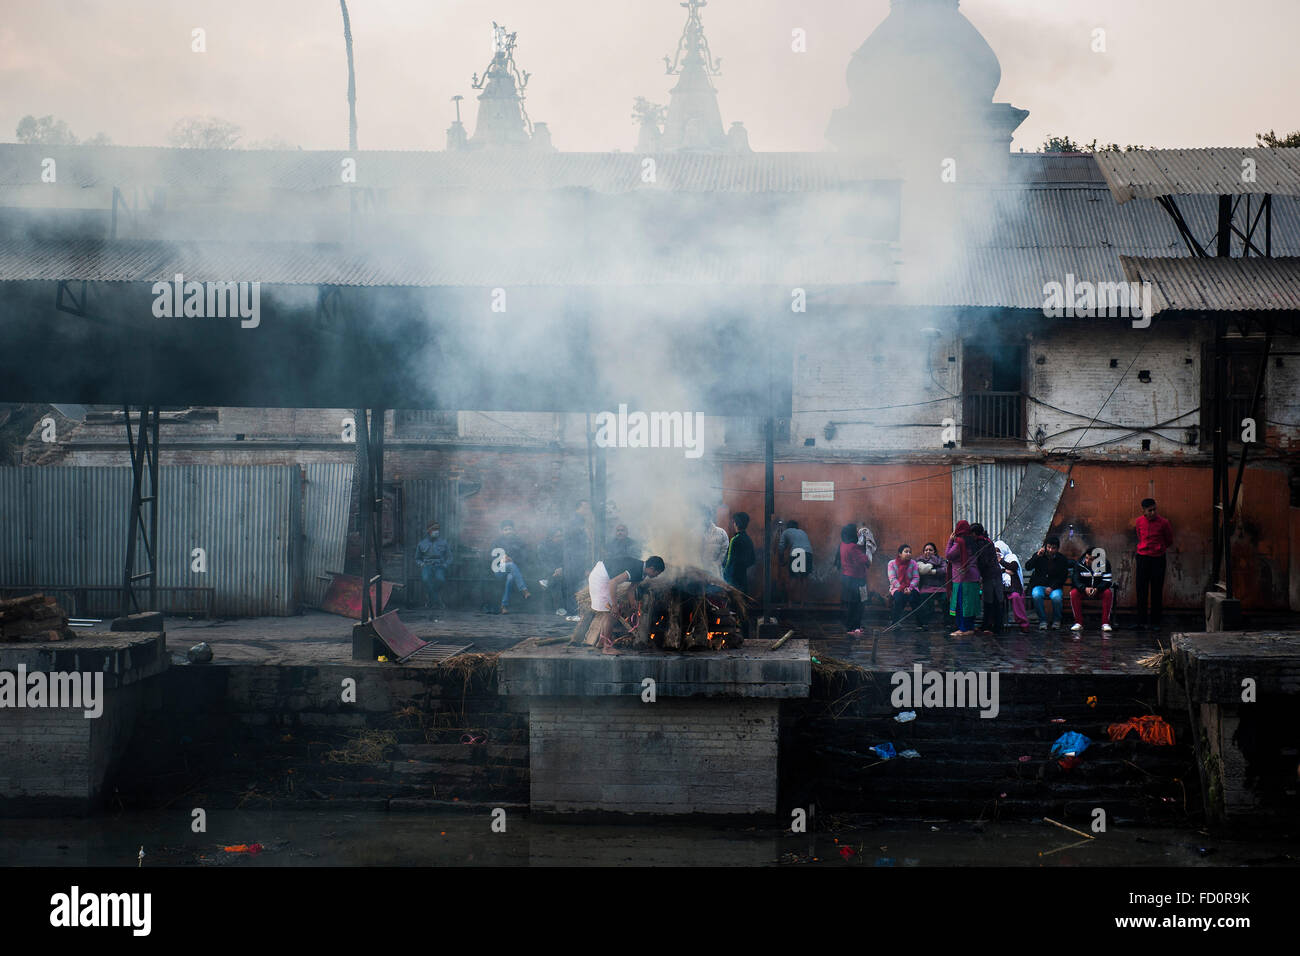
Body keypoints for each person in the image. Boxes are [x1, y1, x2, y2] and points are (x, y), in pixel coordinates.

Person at [587, 554, 665, 651]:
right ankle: (607, 647)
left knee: (607, 614)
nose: (657, 576)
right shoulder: (637, 569)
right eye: (657, 573)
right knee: (611, 614)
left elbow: (631, 590)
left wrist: (633, 604)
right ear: (652, 568)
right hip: (601, 576)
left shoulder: (643, 573)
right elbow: (613, 582)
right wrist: (614, 605)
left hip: (604, 575)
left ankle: (601, 643)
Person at [1134, 498, 1173, 631]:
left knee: (1157, 590)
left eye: (1154, 509)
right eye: (1150, 510)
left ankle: (1155, 622)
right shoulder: (1139, 521)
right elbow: (1139, 536)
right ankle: (1141, 621)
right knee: (1141, 590)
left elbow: (1169, 540)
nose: (1153, 512)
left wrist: (1158, 548)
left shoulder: (1164, 522)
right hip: (1142, 558)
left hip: (1158, 559)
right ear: (1143, 511)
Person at [1025, 535, 1070, 630]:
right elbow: (1028, 566)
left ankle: (1057, 620)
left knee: (1056, 597)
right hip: (1040, 585)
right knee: (1036, 595)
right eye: (1048, 547)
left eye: (1053, 548)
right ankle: (1042, 620)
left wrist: (1052, 587)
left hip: (1055, 587)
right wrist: (1037, 556)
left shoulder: (1061, 559)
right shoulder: (1039, 556)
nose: (1050, 550)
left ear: (1057, 549)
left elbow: (1063, 577)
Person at [945, 520, 982, 637]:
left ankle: (963, 629)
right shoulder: (972, 541)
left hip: (962, 578)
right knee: (969, 605)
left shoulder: (959, 542)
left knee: (961, 605)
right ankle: (969, 627)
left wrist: (950, 540)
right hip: (974, 578)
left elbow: (949, 555)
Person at [1070, 546, 1114, 635]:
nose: (1087, 561)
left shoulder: (1104, 564)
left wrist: (1097, 589)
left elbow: (1107, 581)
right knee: (1073, 593)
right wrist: (1084, 588)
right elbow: (1075, 580)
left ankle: (1105, 623)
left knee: (1108, 593)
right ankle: (1078, 623)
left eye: (1091, 559)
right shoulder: (1079, 564)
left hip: (1099, 590)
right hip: (1083, 590)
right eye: (1086, 558)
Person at [969, 523, 1004, 635]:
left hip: (991, 576)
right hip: (993, 575)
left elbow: (984, 562)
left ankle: (992, 626)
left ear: (974, 533)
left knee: (991, 601)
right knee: (993, 601)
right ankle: (990, 625)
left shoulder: (982, 543)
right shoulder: (987, 541)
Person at [489, 519, 530, 614]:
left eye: (510, 529)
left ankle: (504, 606)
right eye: (506, 529)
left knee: (511, 578)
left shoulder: (519, 542)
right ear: (501, 531)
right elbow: (491, 558)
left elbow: (524, 558)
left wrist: (513, 560)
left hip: (514, 572)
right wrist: (502, 559)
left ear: (514, 530)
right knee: (510, 565)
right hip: (499, 570)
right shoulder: (496, 542)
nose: (508, 531)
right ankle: (524, 590)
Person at [836, 522, 870, 635]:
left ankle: (852, 626)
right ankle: (853, 627)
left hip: (846, 577)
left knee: (851, 604)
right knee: (858, 604)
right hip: (856, 579)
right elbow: (863, 560)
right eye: (855, 531)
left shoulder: (843, 545)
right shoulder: (853, 547)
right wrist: (866, 553)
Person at [562, 501, 593, 620]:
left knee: (573, 585)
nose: (587, 509)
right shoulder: (575, 521)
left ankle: (572, 612)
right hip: (574, 558)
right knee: (574, 585)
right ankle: (573, 612)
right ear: (578, 508)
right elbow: (577, 541)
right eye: (585, 507)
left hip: (574, 558)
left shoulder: (578, 520)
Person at [414, 521, 451, 610]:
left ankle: (431, 599)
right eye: (434, 529)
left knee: (440, 579)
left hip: (439, 566)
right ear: (429, 531)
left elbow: (450, 557)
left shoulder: (444, 543)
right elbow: (417, 558)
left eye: (437, 529)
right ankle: (437, 599)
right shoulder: (422, 543)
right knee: (426, 579)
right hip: (427, 566)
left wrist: (445, 565)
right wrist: (421, 564)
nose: (436, 531)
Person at [887, 544, 926, 629]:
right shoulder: (892, 563)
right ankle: (895, 622)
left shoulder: (913, 563)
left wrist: (910, 588)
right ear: (900, 553)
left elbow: (916, 578)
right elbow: (892, 579)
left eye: (910, 552)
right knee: (899, 597)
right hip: (897, 587)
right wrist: (902, 588)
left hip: (911, 587)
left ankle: (920, 624)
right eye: (906, 552)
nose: (908, 554)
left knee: (915, 598)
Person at [994, 540, 1029, 632]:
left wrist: (1001, 561)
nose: (997, 553)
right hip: (1000, 586)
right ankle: (996, 623)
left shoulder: (1011, 557)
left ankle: (1023, 623)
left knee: (1016, 597)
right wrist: (1005, 570)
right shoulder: (992, 559)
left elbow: (1013, 567)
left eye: (999, 551)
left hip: (1013, 587)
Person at [778, 519, 813, 606]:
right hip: (808, 553)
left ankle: (790, 602)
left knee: (793, 578)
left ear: (788, 526)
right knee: (804, 578)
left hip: (796, 552)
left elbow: (781, 547)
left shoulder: (786, 532)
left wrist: (781, 560)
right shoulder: (802, 532)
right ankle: (802, 603)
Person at [536, 528, 569, 616]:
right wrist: (554, 571)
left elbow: (566, 560)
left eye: (562, 536)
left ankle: (547, 582)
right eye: (558, 536)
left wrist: (561, 569)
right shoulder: (543, 546)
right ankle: (560, 608)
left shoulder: (563, 546)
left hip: (561, 571)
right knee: (556, 580)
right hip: (545, 572)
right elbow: (543, 563)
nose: (561, 538)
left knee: (557, 579)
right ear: (551, 537)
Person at [722, 512, 756, 593]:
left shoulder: (735, 540)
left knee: (732, 602)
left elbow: (729, 561)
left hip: (733, 579)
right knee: (742, 601)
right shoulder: (749, 540)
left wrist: (723, 575)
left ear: (736, 523)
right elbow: (752, 560)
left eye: (733, 522)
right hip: (743, 578)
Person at [702, 510, 729, 578]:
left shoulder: (721, 532)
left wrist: (717, 564)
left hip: (716, 573)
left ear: (710, 517)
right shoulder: (695, 533)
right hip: (700, 573)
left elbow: (725, 550)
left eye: (706, 517)